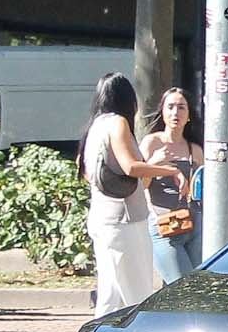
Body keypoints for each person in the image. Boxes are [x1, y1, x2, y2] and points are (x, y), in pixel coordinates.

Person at [82, 73, 186, 315]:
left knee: (111, 296)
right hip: (125, 220)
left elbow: (84, 169)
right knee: (136, 294)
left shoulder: (95, 125)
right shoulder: (118, 123)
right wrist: (169, 170)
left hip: (102, 216)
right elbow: (130, 166)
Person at [143, 85, 203, 285]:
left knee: (193, 285)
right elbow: (139, 184)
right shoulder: (152, 143)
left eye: (181, 107)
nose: (175, 113)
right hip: (163, 225)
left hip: (193, 224)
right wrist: (153, 163)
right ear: (162, 111)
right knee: (183, 287)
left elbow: (203, 188)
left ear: (189, 115)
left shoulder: (194, 149)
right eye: (170, 107)